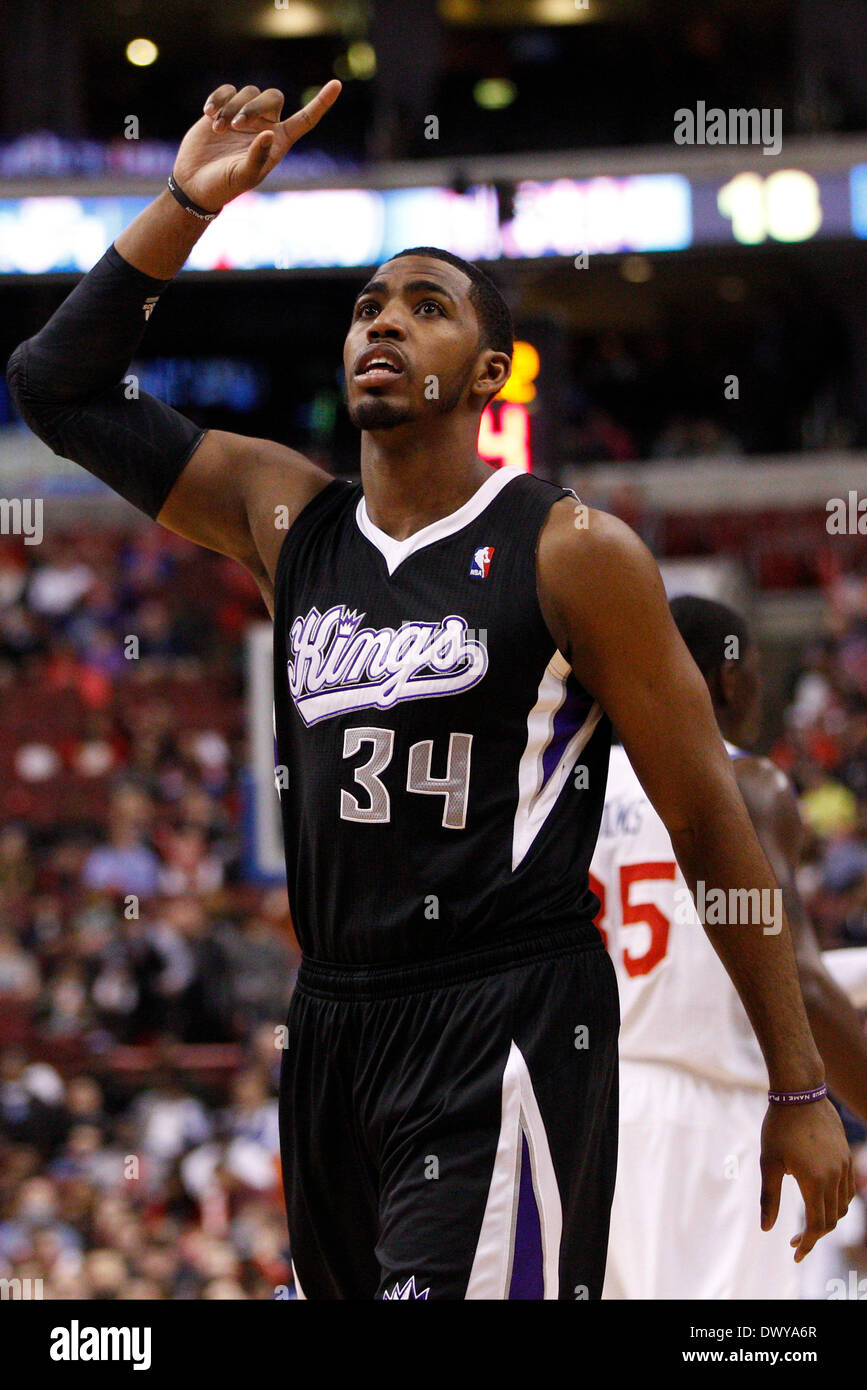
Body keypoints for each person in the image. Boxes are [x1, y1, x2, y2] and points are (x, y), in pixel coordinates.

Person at [7, 79, 853, 1301]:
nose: (383, 325)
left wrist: (797, 1083)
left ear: (493, 370)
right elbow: (57, 386)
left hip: (505, 1020)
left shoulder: (574, 550)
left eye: (426, 306)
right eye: (365, 308)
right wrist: (187, 203)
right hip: (335, 1023)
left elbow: (712, 819)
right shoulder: (288, 514)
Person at [592, 594, 867, 1299]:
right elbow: (797, 985)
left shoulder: (575, 789)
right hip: (716, 1113)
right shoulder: (745, 779)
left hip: (597, 1114)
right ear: (726, 680)